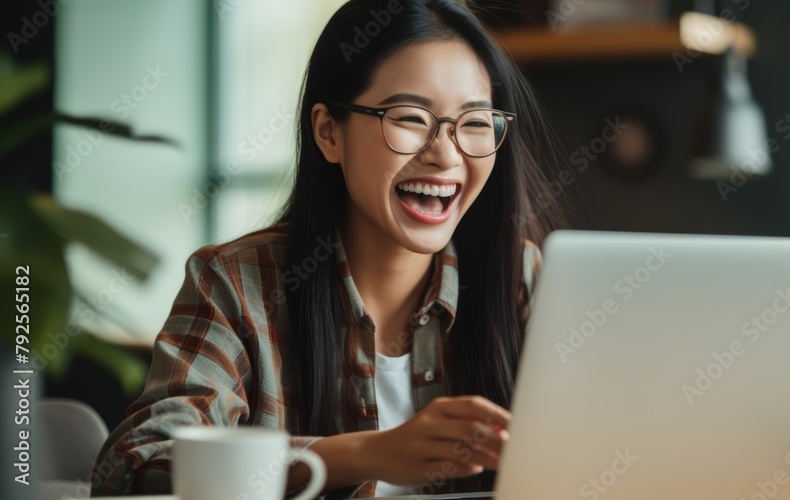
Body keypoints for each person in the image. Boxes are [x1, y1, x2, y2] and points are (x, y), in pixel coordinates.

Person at [90, 0, 570, 497]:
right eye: (409, 118)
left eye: (474, 123)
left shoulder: (519, 277)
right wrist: (368, 454)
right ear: (328, 132)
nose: (445, 155)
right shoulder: (237, 283)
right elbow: (132, 469)